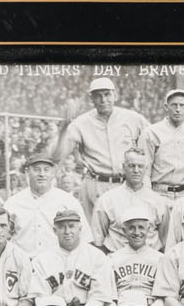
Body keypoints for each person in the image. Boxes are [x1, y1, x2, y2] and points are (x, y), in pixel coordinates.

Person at [57, 77, 150, 215]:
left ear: (115, 95)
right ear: (91, 99)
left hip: (127, 183)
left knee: (129, 229)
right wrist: (64, 128)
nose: (103, 99)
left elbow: (154, 142)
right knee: (95, 234)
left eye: (107, 94)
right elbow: (58, 154)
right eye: (98, 96)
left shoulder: (133, 118)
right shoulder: (81, 123)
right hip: (96, 184)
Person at [28, 210, 114, 306]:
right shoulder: (41, 259)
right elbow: (40, 296)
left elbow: (99, 296)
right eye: (61, 227)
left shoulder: (96, 256)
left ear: (80, 228)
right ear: (54, 230)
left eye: (71, 226)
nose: (67, 231)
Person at [1, 155, 90, 255]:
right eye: (36, 170)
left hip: (57, 263)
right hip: (23, 263)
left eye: (46, 170)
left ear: (53, 173)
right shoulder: (13, 203)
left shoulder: (68, 201)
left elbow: (85, 236)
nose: (42, 174)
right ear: (27, 172)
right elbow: (2, 238)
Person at [91, 150, 170, 252]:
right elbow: (98, 240)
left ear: (146, 169)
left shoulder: (158, 201)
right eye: (132, 166)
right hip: (116, 260)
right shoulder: (107, 200)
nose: (136, 170)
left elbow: (166, 240)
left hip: (150, 261)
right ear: (124, 168)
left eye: (140, 166)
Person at [139, 89, 184, 200]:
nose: (178, 110)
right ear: (166, 107)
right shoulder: (151, 132)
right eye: (174, 105)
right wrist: (148, 196)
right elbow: (144, 170)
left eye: (182, 105)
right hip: (159, 192)